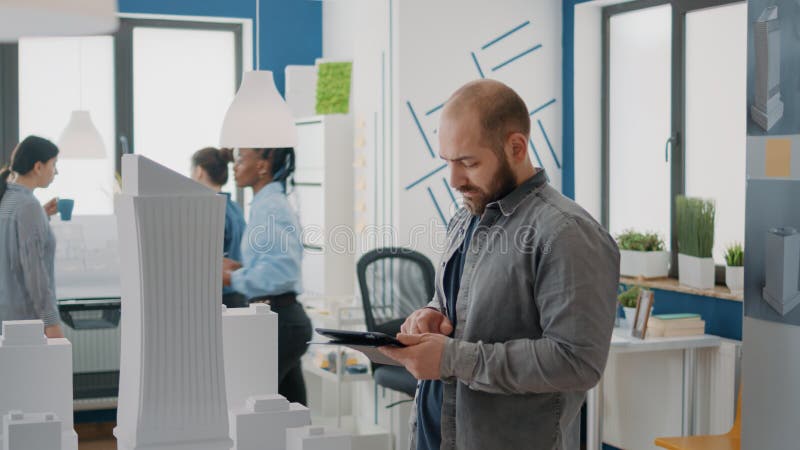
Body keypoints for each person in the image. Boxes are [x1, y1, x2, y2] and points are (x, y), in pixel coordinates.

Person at [380, 80, 620, 450]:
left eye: (469, 163)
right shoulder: (467, 216)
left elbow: (577, 361)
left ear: (516, 147)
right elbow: (454, 308)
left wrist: (452, 358)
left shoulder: (567, 234)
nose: (454, 180)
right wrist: (430, 313)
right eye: (447, 162)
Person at [222, 147, 312, 405]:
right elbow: (272, 262)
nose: (235, 165)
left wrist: (231, 278)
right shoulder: (266, 203)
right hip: (282, 319)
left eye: (241, 159)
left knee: (253, 402)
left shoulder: (270, 206)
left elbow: (280, 273)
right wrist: (238, 269)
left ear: (263, 165)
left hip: (281, 321)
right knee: (290, 410)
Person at [0, 136, 64, 338]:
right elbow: (35, 273)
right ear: (38, 167)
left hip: (6, 320)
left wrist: (42, 216)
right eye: (53, 165)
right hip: (26, 325)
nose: (56, 172)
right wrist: (51, 323)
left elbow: (10, 240)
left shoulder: (8, 198)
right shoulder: (28, 207)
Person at [191, 147, 247, 308]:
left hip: (219, 298)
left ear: (199, 171)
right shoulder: (235, 208)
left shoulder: (209, 212)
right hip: (238, 294)